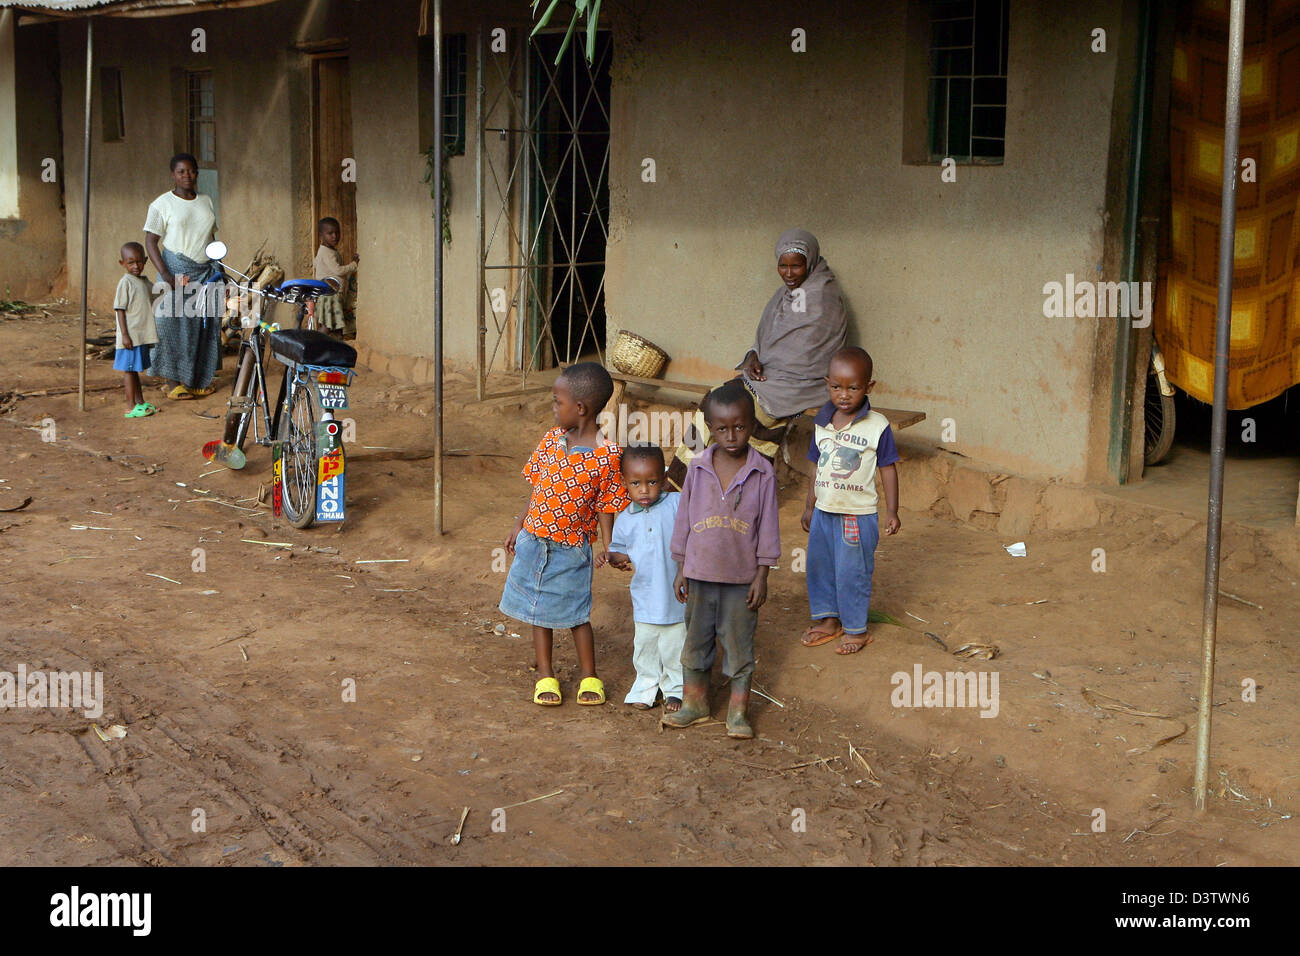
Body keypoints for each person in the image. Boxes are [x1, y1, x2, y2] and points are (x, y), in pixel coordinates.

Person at [668, 228, 847, 485]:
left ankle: (742, 485)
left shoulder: (822, 297)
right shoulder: (783, 296)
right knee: (716, 397)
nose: (788, 273)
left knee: (740, 412)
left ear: (811, 261)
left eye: (796, 266)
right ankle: (687, 477)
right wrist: (754, 358)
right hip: (772, 377)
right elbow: (766, 343)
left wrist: (770, 372)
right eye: (782, 266)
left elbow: (808, 357)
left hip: (803, 383)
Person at [501, 362, 629, 706]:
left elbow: (606, 505)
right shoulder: (550, 441)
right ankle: (546, 674)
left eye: (558, 402)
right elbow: (538, 489)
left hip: (571, 549)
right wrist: (519, 523)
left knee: (576, 614)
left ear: (581, 408)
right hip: (534, 540)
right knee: (536, 610)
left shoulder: (606, 456)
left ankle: (590, 675)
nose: (553, 408)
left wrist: (610, 546)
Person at [664, 380, 780, 739]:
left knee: (738, 642)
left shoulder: (762, 472)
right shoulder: (697, 468)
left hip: (741, 579)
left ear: (752, 426)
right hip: (699, 574)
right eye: (722, 428)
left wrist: (762, 576)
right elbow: (683, 519)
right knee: (696, 640)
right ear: (709, 429)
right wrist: (681, 567)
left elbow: (769, 528)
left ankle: (738, 712)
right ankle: (694, 704)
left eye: (741, 427)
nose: (732, 435)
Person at [800, 347, 900, 654]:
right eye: (836, 387)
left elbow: (888, 468)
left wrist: (892, 511)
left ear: (868, 387)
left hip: (856, 516)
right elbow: (816, 466)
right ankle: (828, 621)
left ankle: (856, 630)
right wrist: (809, 504)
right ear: (827, 382)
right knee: (819, 567)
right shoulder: (821, 421)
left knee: (851, 572)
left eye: (853, 388)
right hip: (824, 512)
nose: (844, 395)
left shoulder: (877, 426)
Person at [607, 445, 685, 713]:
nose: (644, 490)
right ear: (624, 483)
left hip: (677, 595)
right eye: (635, 483)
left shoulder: (676, 504)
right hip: (644, 596)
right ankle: (646, 688)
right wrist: (612, 558)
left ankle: (676, 690)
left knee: (676, 646)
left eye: (652, 482)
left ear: (663, 479)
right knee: (646, 647)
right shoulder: (625, 520)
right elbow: (620, 551)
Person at [143, 153, 222, 401]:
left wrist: (221, 270)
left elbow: (211, 239)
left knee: (202, 326)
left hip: (205, 271)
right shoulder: (161, 204)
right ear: (173, 174)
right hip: (175, 270)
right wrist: (166, 274)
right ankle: (173, 382)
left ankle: (197, 380)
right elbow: (150, 241)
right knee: (169, 323)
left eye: (191, 171)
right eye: (181, 171)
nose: (187, 176)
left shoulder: (207, 201)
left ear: (197, 173)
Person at [113, 242, 158, 418]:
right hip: (130, 336)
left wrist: (178, 284)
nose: (135, 266)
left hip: (139, 336)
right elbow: (119, 310)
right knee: (129, 371)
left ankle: (140, 403)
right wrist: (124, 335)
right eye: (130, 262)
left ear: (145, 261)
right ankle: (130, 406)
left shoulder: (144, 282)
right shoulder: (125, 283)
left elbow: (158, 293)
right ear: (122, 263)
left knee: (134, 370)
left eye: (139, 262)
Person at [314, 217, 358, 338]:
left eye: (337, 232)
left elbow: (316, 263)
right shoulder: (326, 252)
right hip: (330, 296)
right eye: (330, 233)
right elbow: (338, 270)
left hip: (331, 294)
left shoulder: (327, 250)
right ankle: (313, 344)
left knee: (337, 326)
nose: (335, 236)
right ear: (321, 235)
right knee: (327, 327)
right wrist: (354, 265)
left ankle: (335, 349)